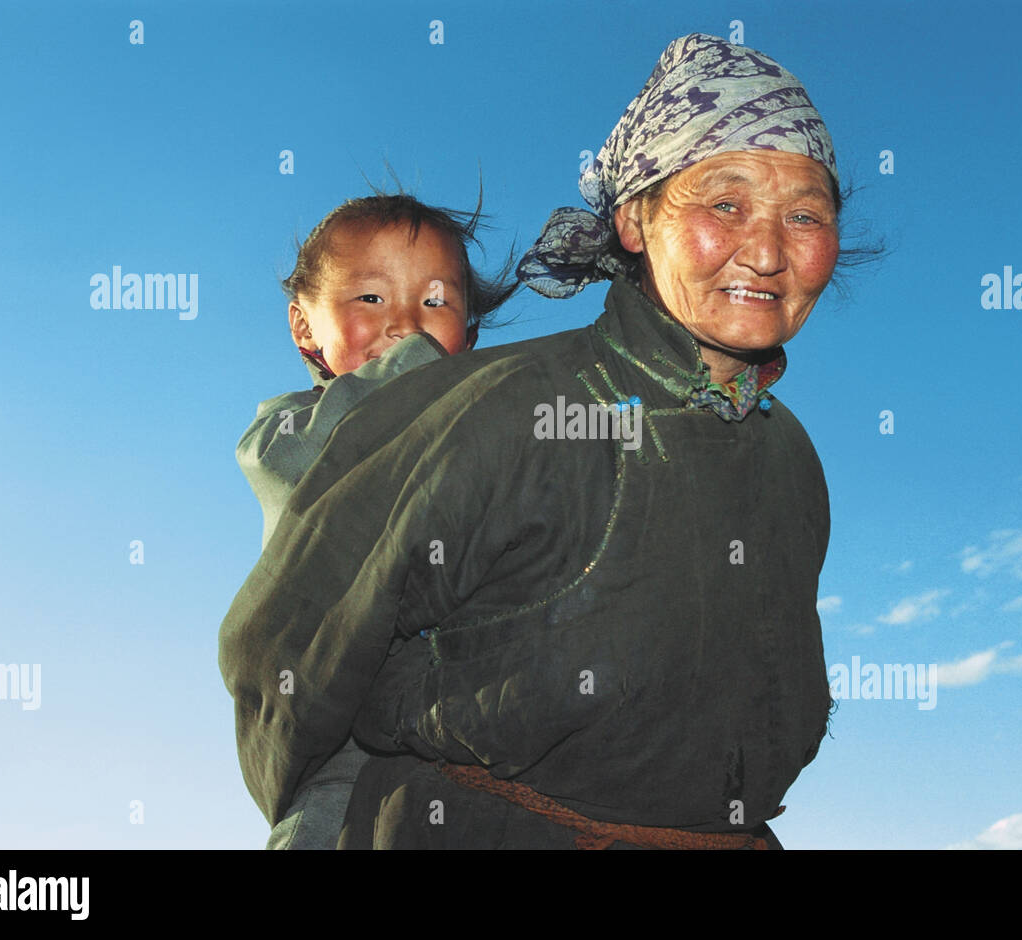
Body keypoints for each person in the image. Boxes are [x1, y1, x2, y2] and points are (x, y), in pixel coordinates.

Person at [221, 33, 844, 849]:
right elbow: (285, 646)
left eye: (805, 214)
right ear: (633, 219)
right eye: (723, 204)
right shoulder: (502, 407)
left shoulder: (793, 461)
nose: (765, 251)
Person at [235, 191, 517, 847]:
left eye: (436, 302)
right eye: (370, 299)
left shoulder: (490, 444)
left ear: (469, 335)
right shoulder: (285, 434)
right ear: (304, 326)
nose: (404, 325)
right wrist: (422, 361)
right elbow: (332, 455)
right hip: (347, 757)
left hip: (479, 747)